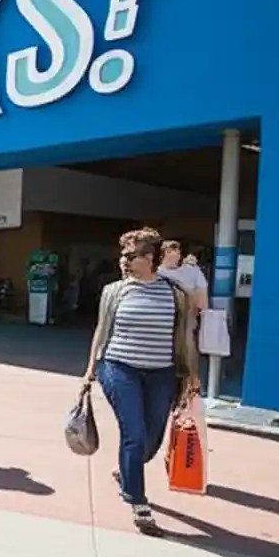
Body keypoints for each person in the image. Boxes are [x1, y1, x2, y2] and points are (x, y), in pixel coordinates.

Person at [84, 228, 199, 537]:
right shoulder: (114, 291)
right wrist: (90, 368)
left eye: (130, 256)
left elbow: (186, 336)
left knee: (151, 440)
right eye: (122, 255)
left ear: (149, 259)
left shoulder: (175, 294)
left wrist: (192, 374)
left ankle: (127, 470)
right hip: (120, 369)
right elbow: (101, 330)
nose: (123, 261)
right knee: (133, 433)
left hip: (161, 373)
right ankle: (138, 502)